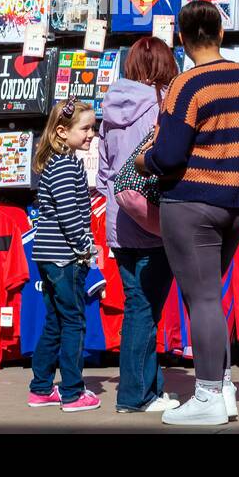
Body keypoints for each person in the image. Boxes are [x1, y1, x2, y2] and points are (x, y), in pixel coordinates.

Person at [135, 0, 239, 426]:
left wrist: (145, 162)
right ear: (222, 35)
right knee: (210, 298)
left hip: (193, 203)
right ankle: (225, 387)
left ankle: (209, 394)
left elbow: (171, 153)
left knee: (203, 299)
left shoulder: (187, 84)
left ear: (181, 40)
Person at [96, 36, 181, 414]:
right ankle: (134, 395)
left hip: (120, 219)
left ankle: (150, 387)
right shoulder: (159, 106)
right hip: (152, 218)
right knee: (144, 309)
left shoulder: (110, 109)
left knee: (138, 304)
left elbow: (102, 176)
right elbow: (163, 160)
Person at [27, 99, 102, 413]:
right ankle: (72, 392)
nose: (90, 135)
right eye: (85, 128)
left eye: (93, 128)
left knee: (55, 323)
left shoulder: (55, 163)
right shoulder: (65, 165)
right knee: (73, 323)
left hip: (49, 256)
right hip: (64, 258)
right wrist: (87, 246)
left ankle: (41, 388)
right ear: (61, 131)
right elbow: (70, 216)